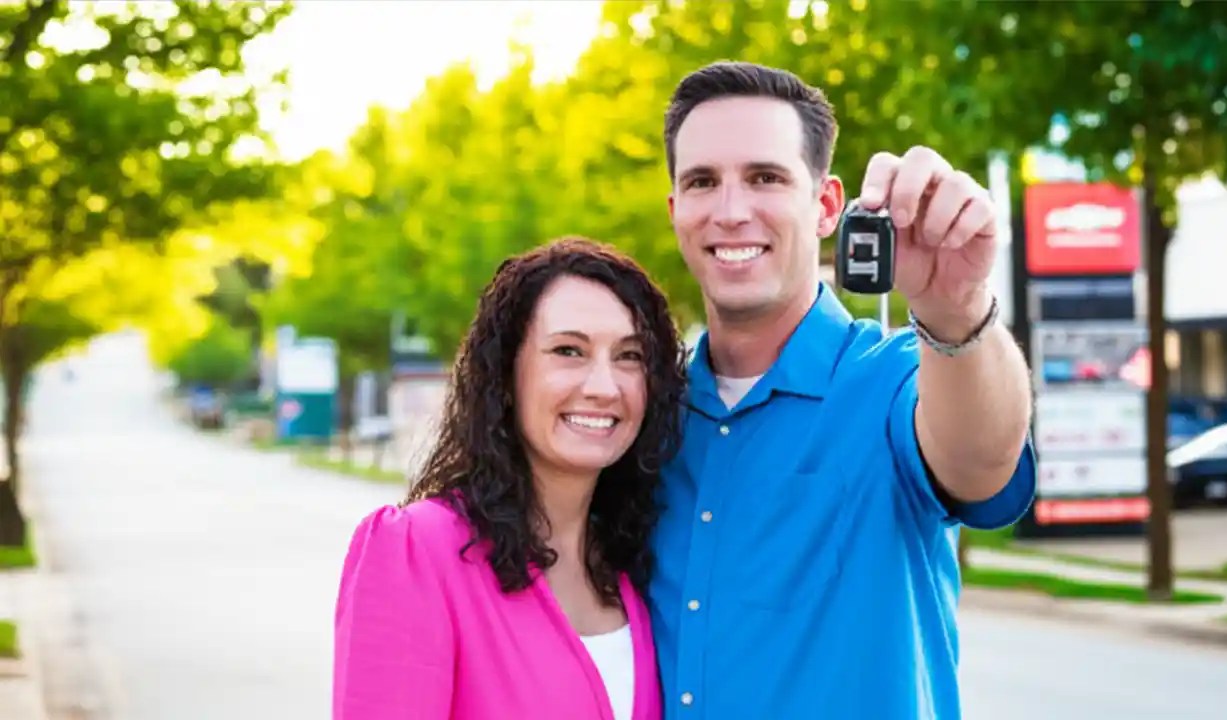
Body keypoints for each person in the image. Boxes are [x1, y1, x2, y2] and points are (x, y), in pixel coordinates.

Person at [648, 61, 1038, 719]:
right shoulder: (645, 419)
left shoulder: (896, 379)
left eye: (765, 177)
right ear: (676, 210)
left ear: (827, 205)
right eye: (702, 182)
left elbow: (981, 461)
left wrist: (957, 306)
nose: (731, 210)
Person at [333, 238, 687, 720]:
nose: (605, 387)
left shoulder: (633, 564)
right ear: (506, 374)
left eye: (630, 356)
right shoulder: (418, 550)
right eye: (568, 351)